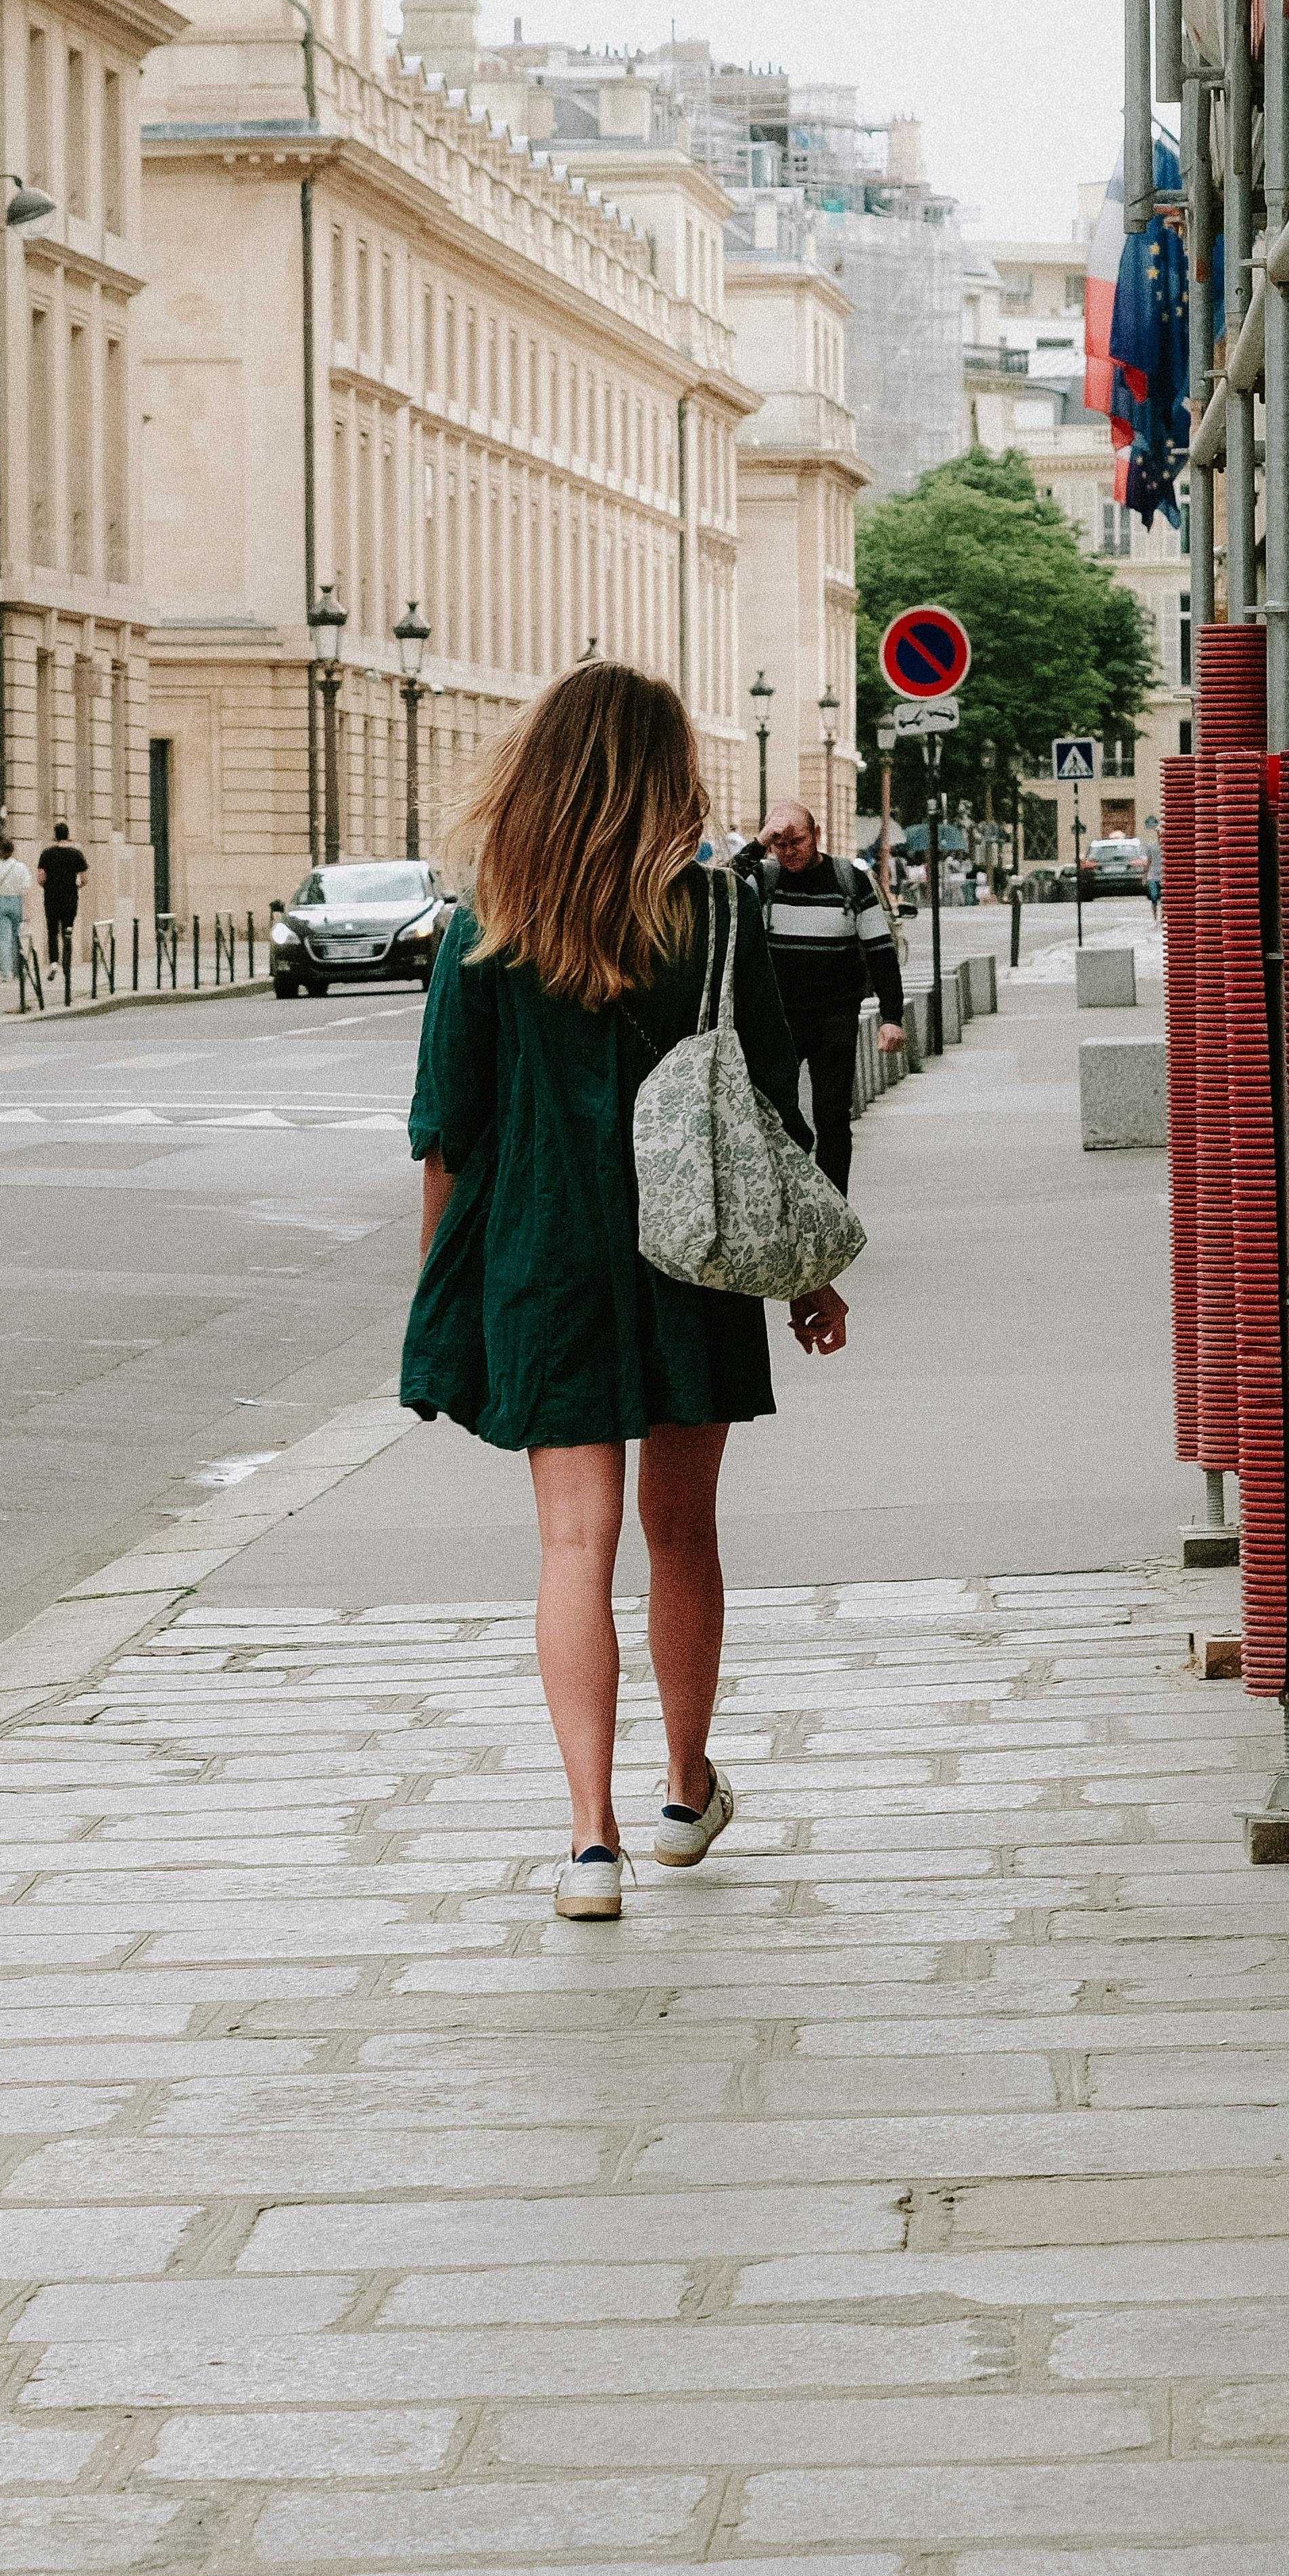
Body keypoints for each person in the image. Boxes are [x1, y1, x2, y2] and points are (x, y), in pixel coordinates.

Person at [401, 662, 852, 1923]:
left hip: (541, 1257)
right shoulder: (712, 909)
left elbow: (448, 1127)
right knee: (682, 1532)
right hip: (688, 1251)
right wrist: (807, 1272)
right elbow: (762, 1104)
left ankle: (588, 1841)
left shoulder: (489, 916)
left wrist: (439, 1288)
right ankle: (683, 1788)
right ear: (666, 773)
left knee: (570, 1545)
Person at [740, 799, 903, 1193]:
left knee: (832, 1117)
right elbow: (722, 885)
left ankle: (833, 1212)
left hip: (835, 1017)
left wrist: (892, 1017)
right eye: (779, 844)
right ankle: (795, 1197)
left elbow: (881, 951)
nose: (789, 851)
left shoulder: (850, 880)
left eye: (797, 841)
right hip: (778, 1020)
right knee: (775, 1112)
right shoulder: (764, 879)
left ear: (817, 835)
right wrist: (758, 843)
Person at [0, 839, 34, 984]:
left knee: (3, 938)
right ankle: (18, 971)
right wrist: (27, 910)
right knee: (17, 937)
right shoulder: (21, 867)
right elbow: (26, 890)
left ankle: (5, 973)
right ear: (12, 851)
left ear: (1, 851)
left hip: (1, 902)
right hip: (16, 902)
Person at [37, 823, 89, 955]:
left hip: (52, 898)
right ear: (68, 835)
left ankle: (54, 962)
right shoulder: (77, 854)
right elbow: (84, 880)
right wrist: (76, 885)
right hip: (70, 898)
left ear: (55, 836)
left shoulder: (46, 854)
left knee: (52, 931)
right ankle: (67, 965)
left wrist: (49, 886)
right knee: (67, 930)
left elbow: (41, 879)